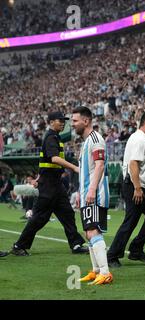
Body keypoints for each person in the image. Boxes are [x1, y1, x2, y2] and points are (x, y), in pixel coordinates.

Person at [10, 112, 87, 256]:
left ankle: (76, 244)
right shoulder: (51, 137)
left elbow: (44, 161)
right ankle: (19, 246)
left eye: (64, 121)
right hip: (49, 186)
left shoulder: (55, 137)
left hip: (55, 185)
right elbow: (54, 159)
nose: (63, 123)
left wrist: (39, 176)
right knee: (40, 218)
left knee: (67, 214)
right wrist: (74, 167)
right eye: (60, 120)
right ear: (51, 122)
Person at [107, 110, 145, 268]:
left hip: (143, 186)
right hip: (135, 185)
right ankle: (112, 255)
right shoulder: (139, 140)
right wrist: (137, 188)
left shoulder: (140, 138)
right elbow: (133, 164)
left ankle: (136, 249)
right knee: (131, 221)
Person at [71, 107, 113, 285]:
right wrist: (82, 192)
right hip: (87, 193)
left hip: (94, 194)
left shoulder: (96, 139)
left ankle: (105, 272)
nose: (72, 124)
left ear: (86, 121)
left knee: (93, 230)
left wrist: (91, 190)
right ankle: (96, 271)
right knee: (89, 232)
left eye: (75, 121)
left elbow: (100, 165)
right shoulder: (86, 141)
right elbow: (86, 171)